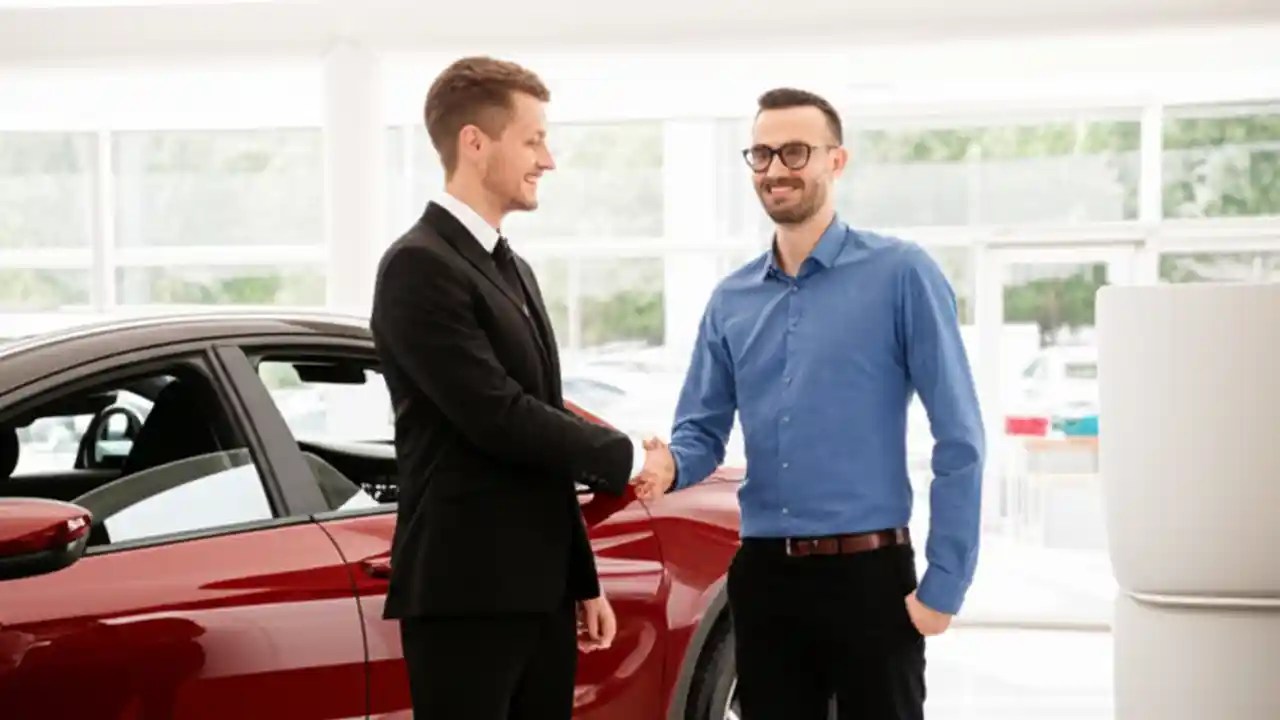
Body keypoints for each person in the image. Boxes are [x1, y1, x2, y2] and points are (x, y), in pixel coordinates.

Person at [632, 88, 985, 719]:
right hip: (766, 581)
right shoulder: (730, 300)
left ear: (835, 161)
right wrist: (667, 466)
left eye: (795, 151)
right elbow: (700, 433)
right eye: (761, 154)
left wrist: (944, 585)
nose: (775, 169)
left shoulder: (902, 274)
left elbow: (959, 437)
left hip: (871, 577)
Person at [370, 56, 635, 720]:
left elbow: (540, 423)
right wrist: (622, 455)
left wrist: (581, 581)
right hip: (466, 594)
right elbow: (497, 416)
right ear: (475, 143)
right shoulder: (417, 266)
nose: (548, 158)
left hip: (538, 592)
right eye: (533, 138)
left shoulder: (509, 267)